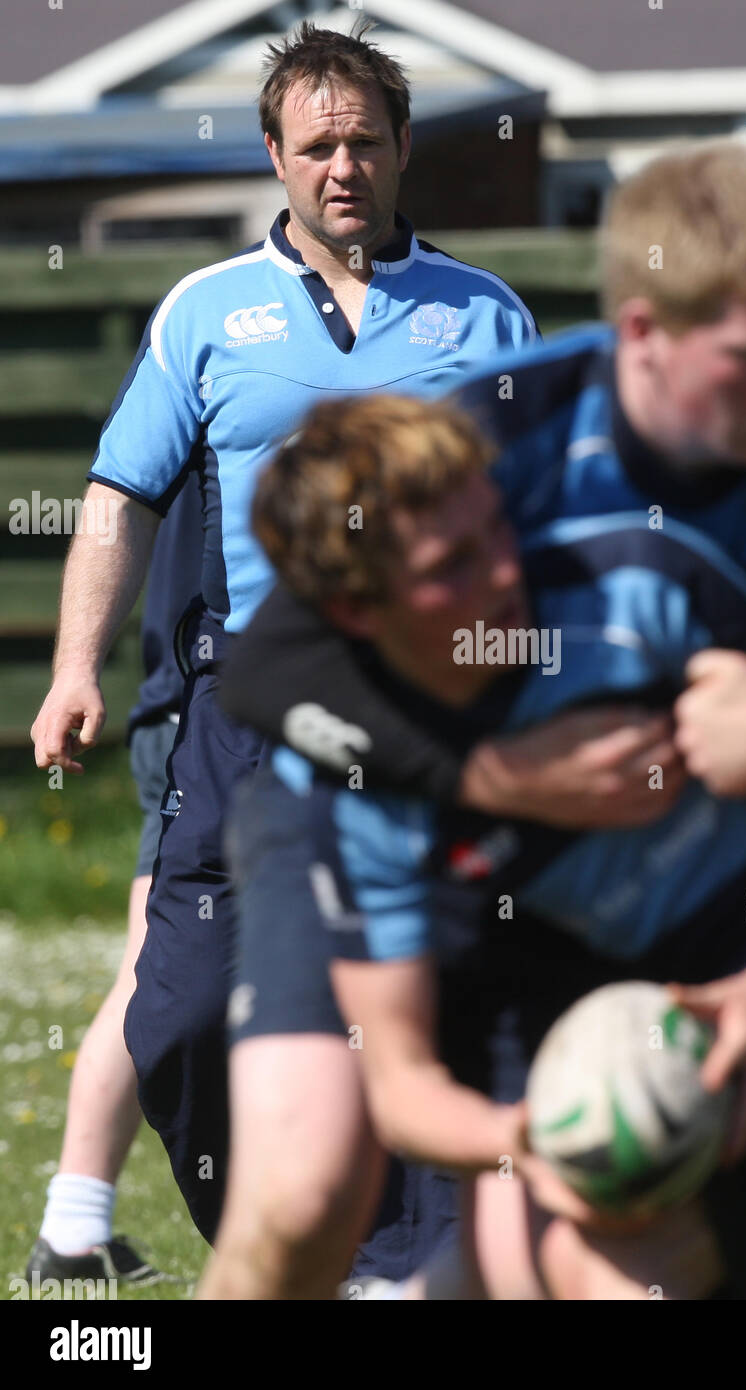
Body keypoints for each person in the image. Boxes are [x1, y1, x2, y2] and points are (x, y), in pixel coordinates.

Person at [219, 392, 746, 1298]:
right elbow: (402, 1087)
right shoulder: (363, 798)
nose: (504, 573)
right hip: (666, 1018)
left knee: (596, 1276)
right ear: (356, 614)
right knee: (534, 1268)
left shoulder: (639, 584)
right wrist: (524, 1137)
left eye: (496, 530)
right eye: (454, 564)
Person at [28, 18, 538, 1269]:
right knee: (185, 1005)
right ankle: (269, 1231)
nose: (344, 167)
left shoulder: (487, 316)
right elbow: (117, 497)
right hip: (245, 709)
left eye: (366, 141)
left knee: (429, 996)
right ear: (274, 155)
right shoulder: (206, 313)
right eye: (318, 146)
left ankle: (392, 1266)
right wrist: (74, 667)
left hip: (428, 711)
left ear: (406, 147)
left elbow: (541, 521)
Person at [224, 141, 746, 813]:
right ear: (643, 330)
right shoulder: (500, 428)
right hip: (490, 831)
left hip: (690, 832)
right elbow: (268, 671)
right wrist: (493, 778)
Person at [25, 472, 202, 1287]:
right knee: (154, 973)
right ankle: (71, 1229)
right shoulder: (199, 345)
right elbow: (115, 504)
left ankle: (73, 1230)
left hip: (207, 707)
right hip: (202, 712)